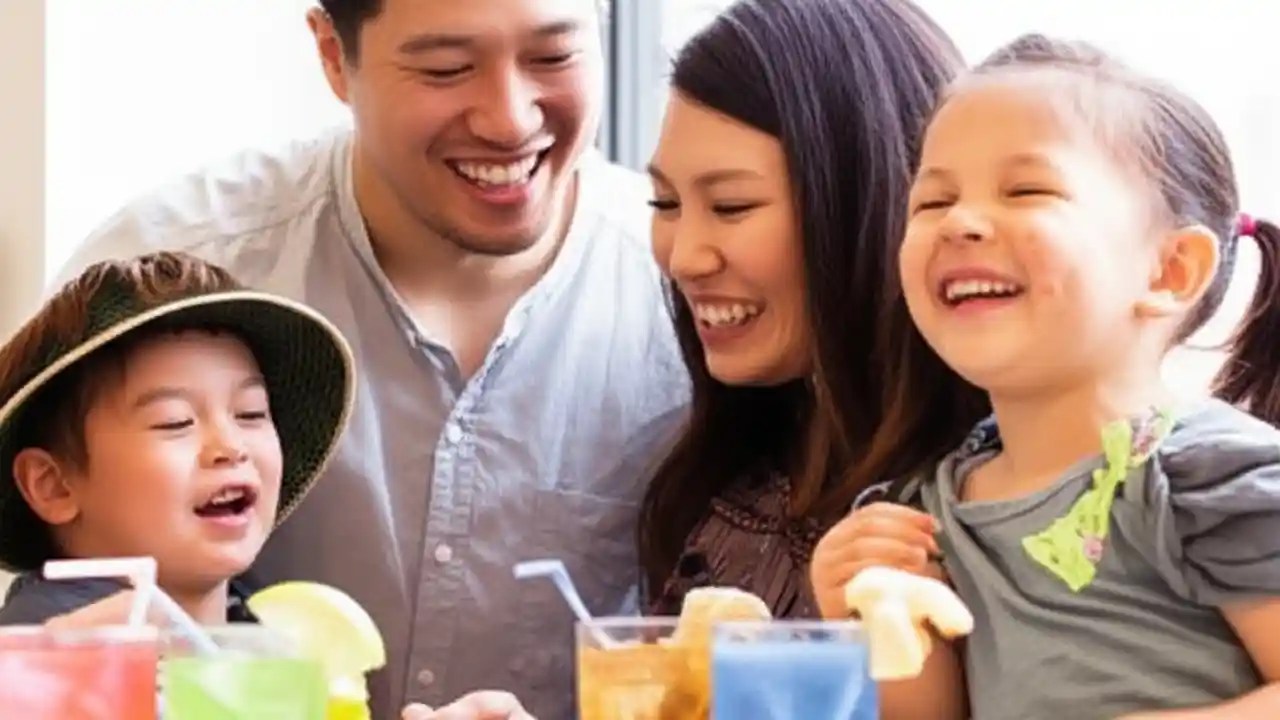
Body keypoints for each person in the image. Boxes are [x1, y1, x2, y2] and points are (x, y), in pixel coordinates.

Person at [50, 0, 688, 717]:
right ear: (332, 56)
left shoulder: (697, 291)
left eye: (553, 56)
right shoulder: (167, 278)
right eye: (446, 68)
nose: (509, 120)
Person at [815, 33, 1280, 720]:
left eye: (1027, 190)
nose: (962, 222)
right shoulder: (925, 511)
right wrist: (858, 603)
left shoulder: (1204, 477)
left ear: (1170, 270)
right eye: (933, 202)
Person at [640, 0, 987, 715]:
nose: (684, 255)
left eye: (731, 206)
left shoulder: (985, 510)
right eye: (665, 203)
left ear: (875, 201)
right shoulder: (733, 482)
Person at [0, 251, 353, 626]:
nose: (230, 447)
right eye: (175, 421)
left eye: (251, 413)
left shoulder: (268, 635)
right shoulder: (46, 656)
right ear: (53, 485)